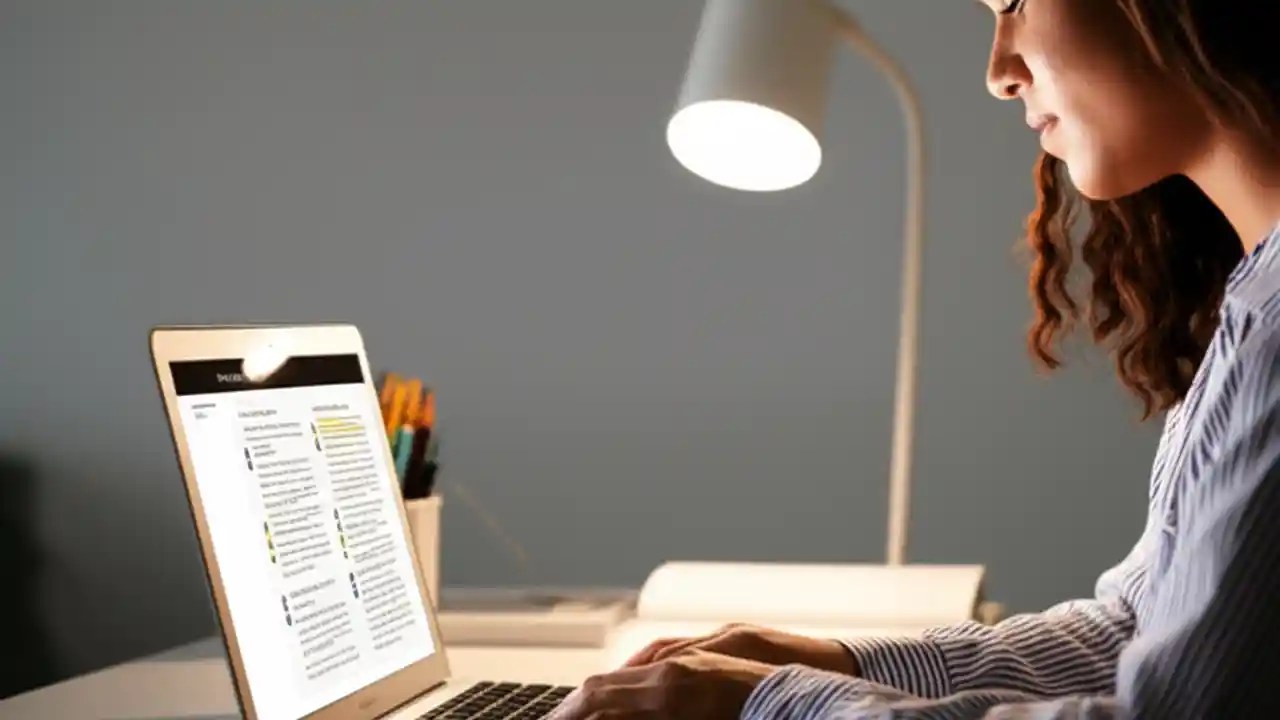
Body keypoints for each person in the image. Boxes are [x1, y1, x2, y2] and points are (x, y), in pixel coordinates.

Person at [548, 0, 1280, 718]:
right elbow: (1135, 628)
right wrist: (834, 662)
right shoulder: (1252, 305)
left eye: (1014, 3)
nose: (999, 72)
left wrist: (770, 702)